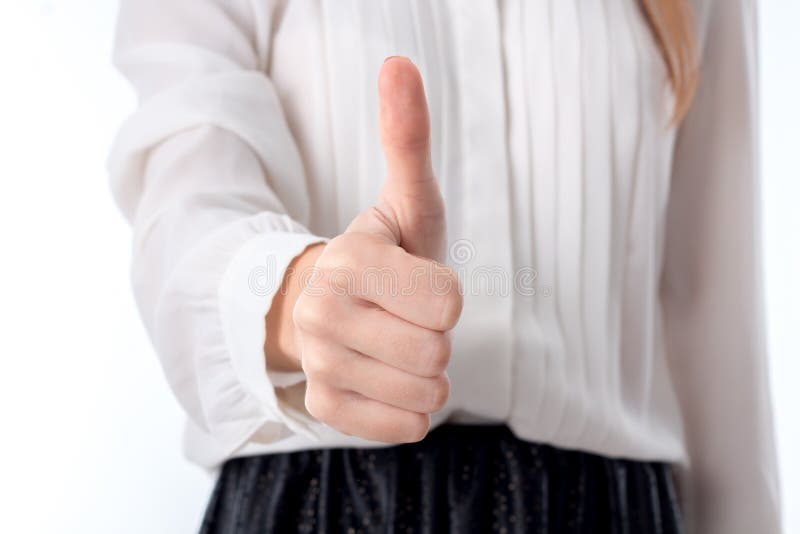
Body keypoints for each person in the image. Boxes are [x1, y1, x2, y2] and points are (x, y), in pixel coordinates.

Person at [108, 0, 781, 532]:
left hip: (610, 507)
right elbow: (181, 194)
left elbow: (716, 327)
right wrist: (300, 299)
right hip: (321, 504)